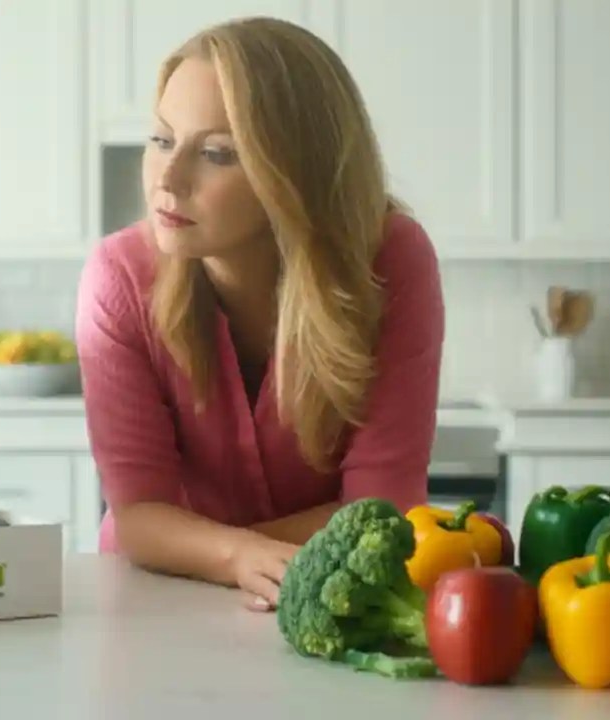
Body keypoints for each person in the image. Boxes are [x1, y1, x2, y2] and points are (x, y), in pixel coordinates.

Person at [74, 16, 445, 612]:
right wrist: (232, 556)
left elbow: (385, 506)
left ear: (297, 171)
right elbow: (138, 513)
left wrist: (201, 546)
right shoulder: (117, 277)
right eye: (162, 140)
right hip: (159, 604)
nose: (168, 179)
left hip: (326, 595)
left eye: (217, 153)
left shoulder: (392, 259)